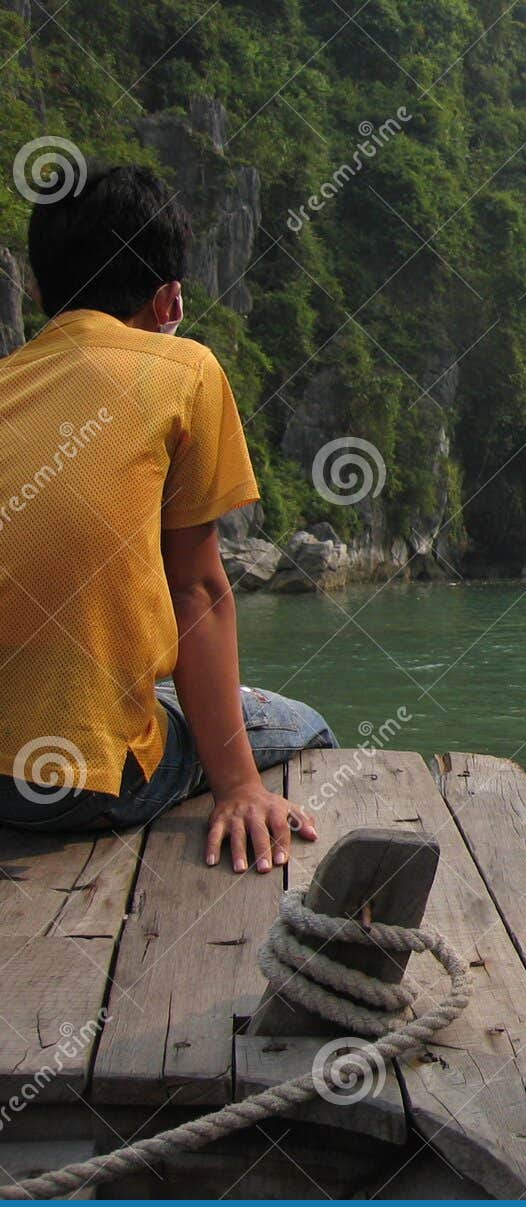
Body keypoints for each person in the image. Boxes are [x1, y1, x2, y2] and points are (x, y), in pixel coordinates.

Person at [0, 165, 333, 873]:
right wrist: (239, 785)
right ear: (168, 299)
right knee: (304, 727)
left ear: (36, 288)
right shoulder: (184, 371)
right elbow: (196, 592)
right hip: (66, 788)